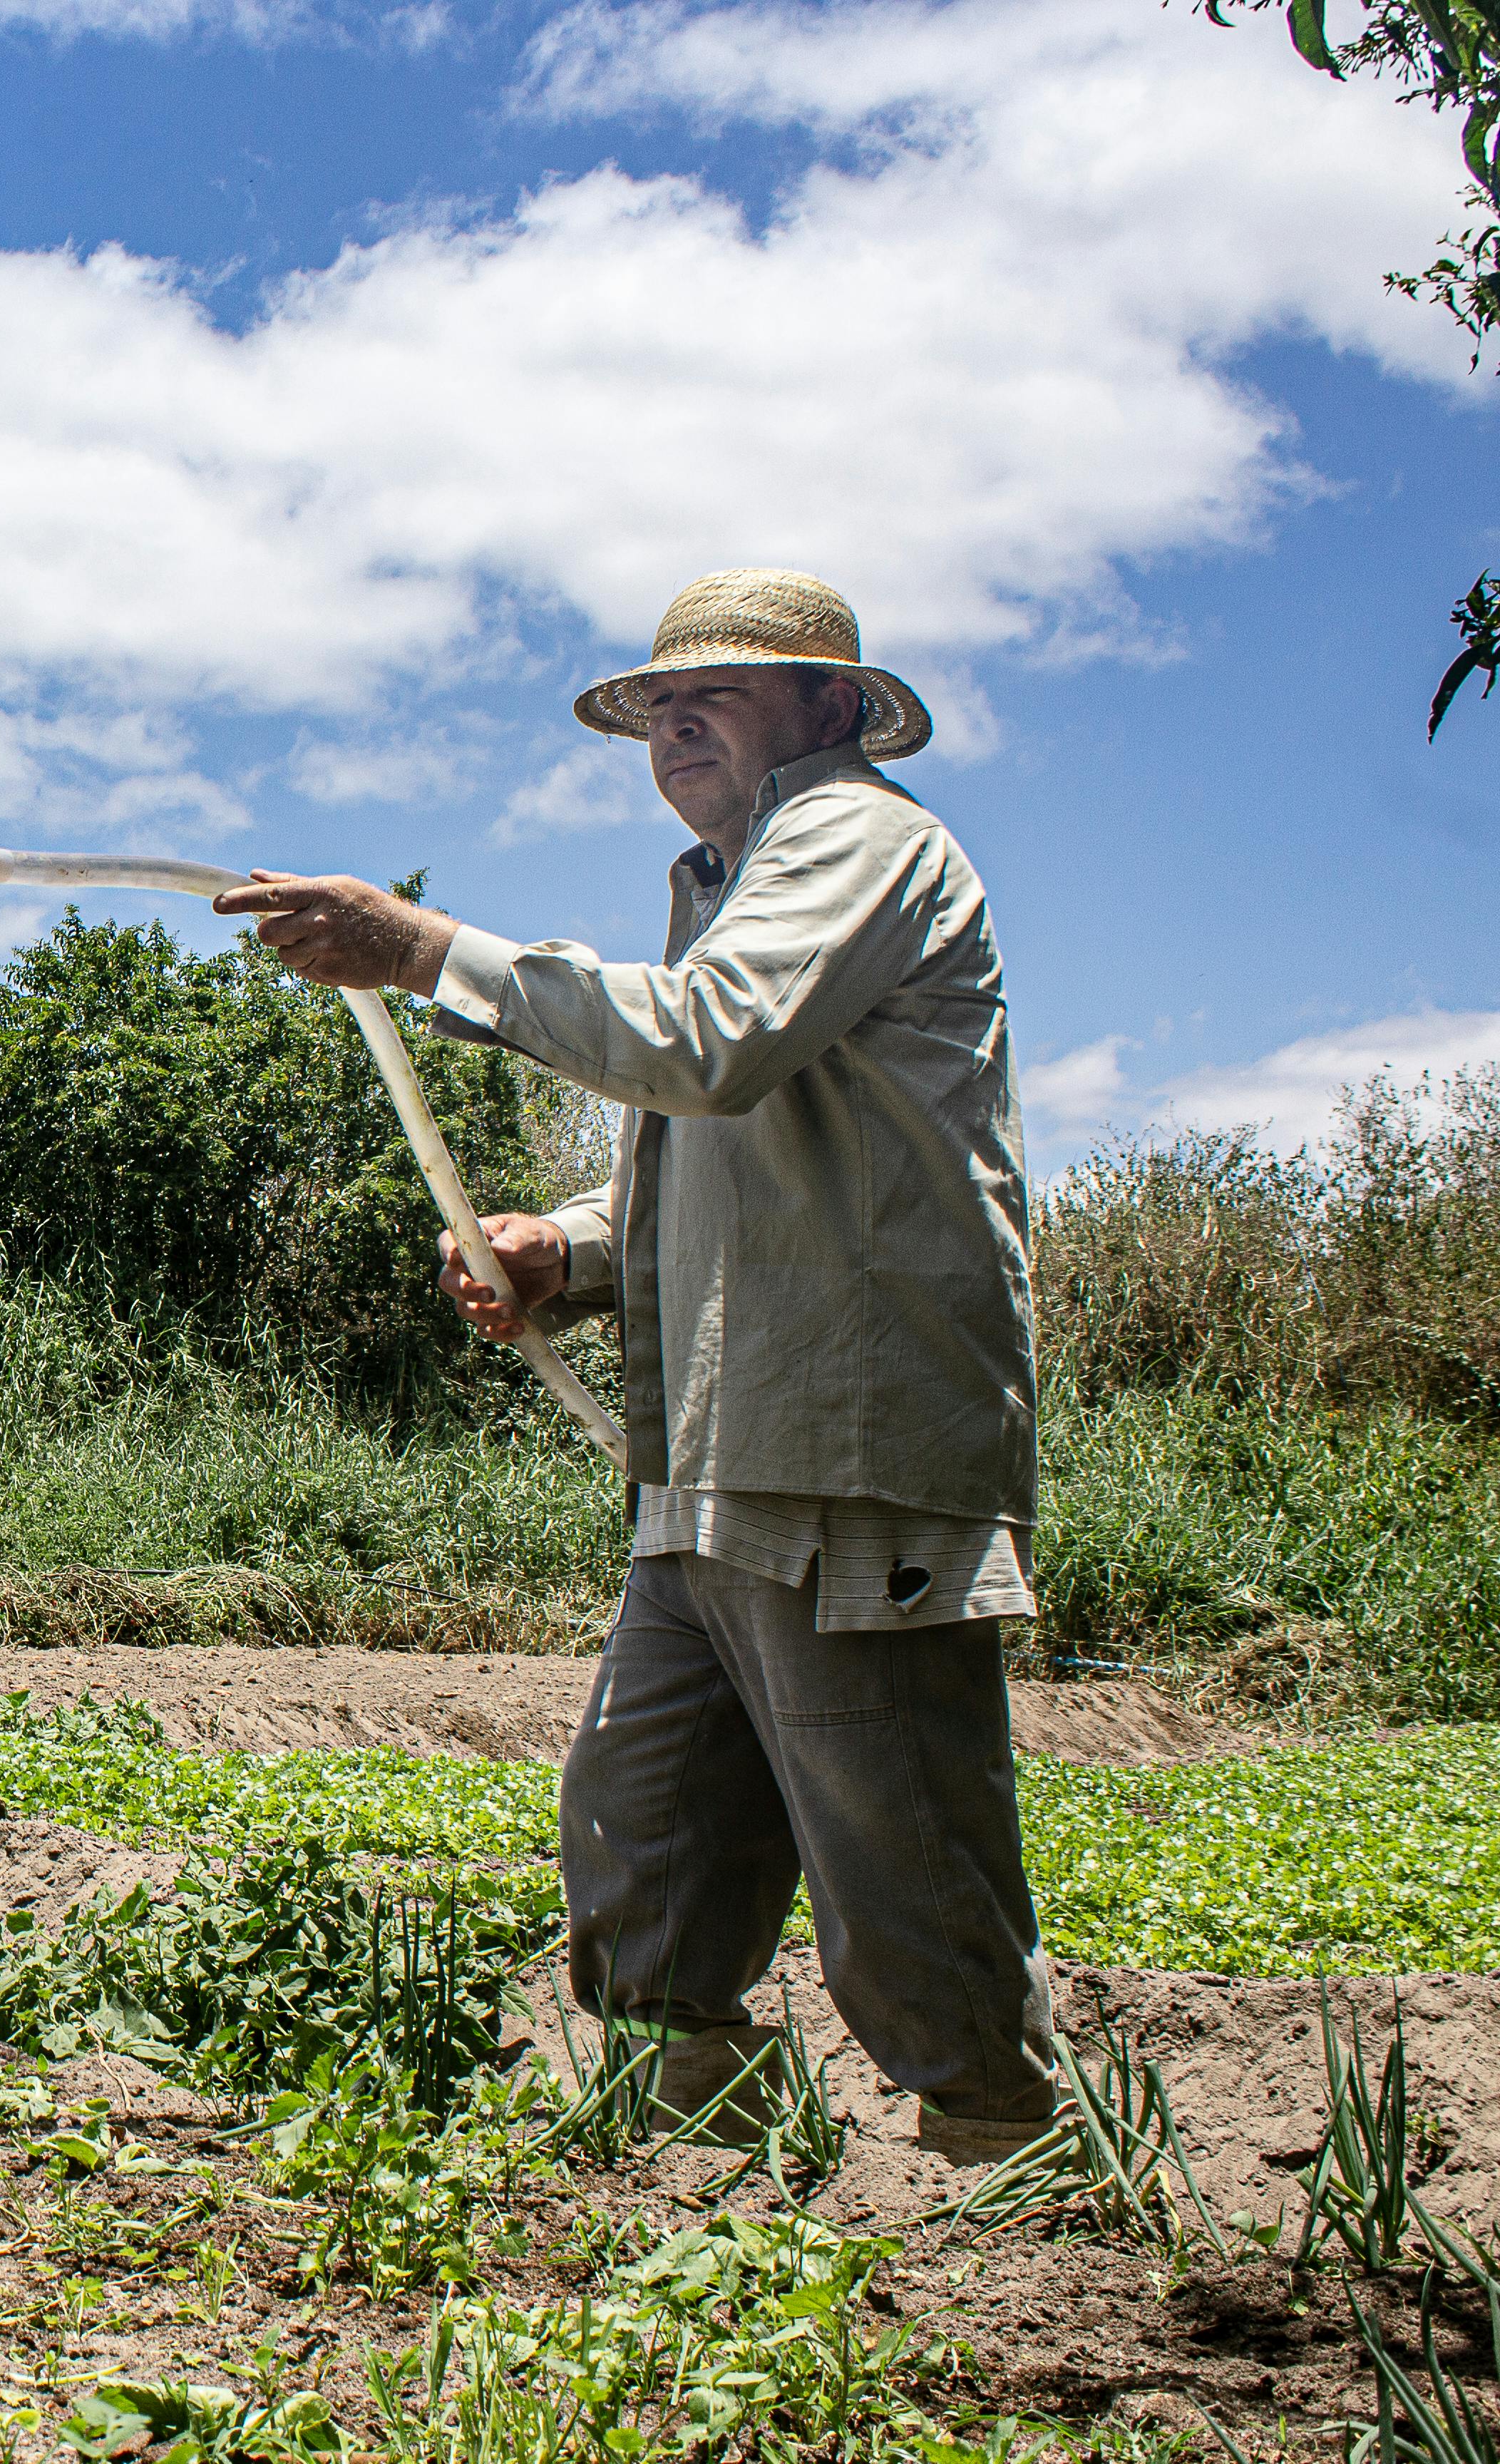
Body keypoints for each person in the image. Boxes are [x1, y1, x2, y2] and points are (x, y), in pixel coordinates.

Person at [211, 568, 1057, 2159]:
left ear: (830, 709)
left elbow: (703, 1043)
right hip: (716, 1447)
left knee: (903, 1866)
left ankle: (1025, 2190)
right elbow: (717, 1141)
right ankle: (694, 2163)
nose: (675, 725)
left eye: (717, 696)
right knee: (644, 1831)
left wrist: (426, 950)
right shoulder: (728, 881)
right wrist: (572, 1256)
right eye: (661, 705)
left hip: (845, 1443)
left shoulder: (860, 840)